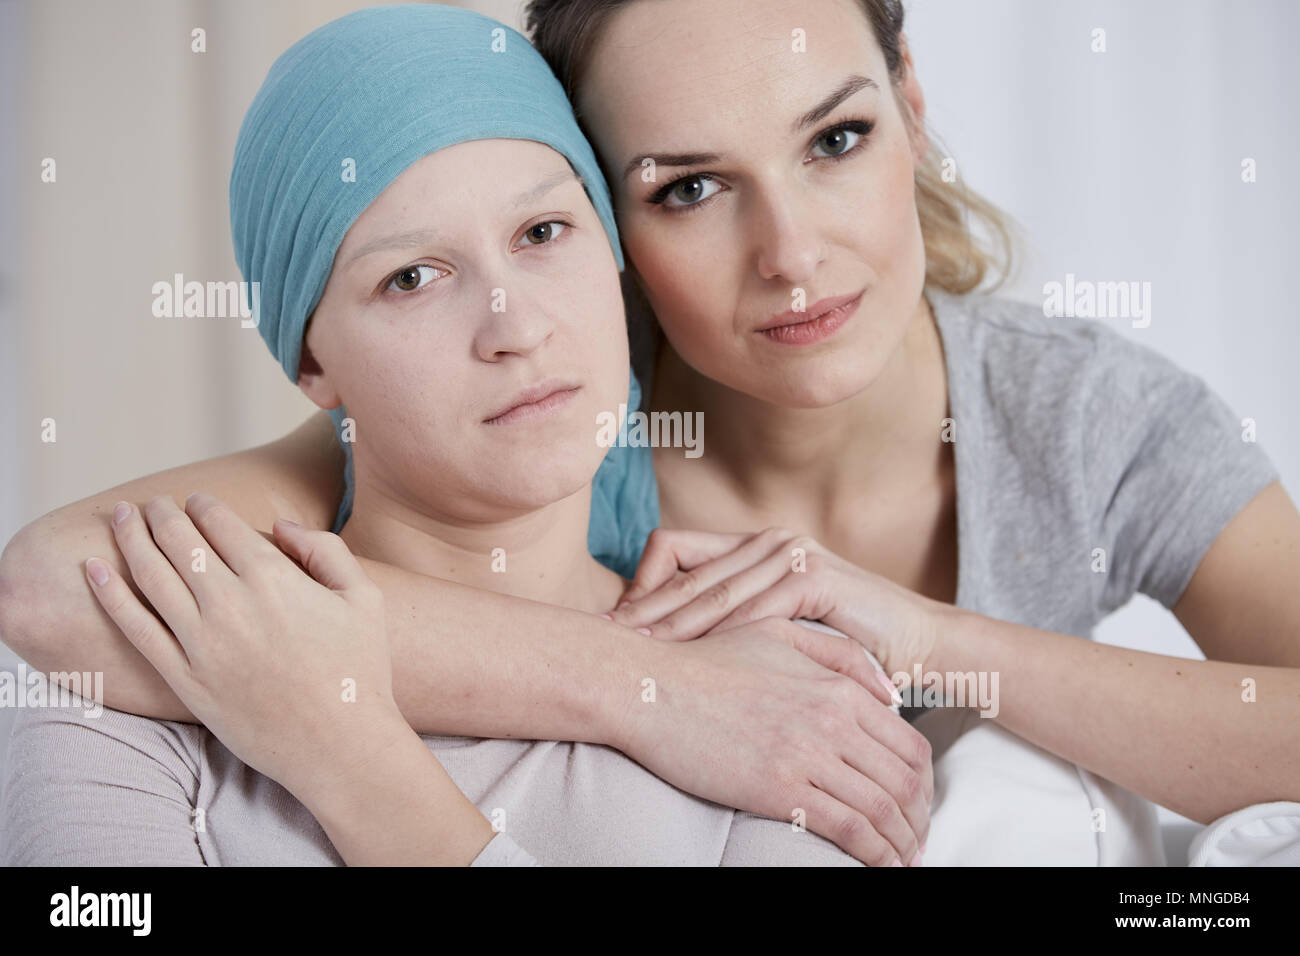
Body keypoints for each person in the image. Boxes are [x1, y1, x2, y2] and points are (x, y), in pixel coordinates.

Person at [5, 0, 1298, 851]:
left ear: (910, 96)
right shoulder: (545, 409)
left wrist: (936, 641)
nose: (792, 255)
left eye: (837, 138)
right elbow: (62, 592)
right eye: (688, 188)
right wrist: (666, 690)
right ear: (611, 228)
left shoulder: (1089, 418)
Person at [0, 3, 912, 868]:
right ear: (310, 365)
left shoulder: (785, 702)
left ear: (615, 259)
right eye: (412, 278)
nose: (513, 326)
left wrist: (354, 762)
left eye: (544, 230)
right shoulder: (121, 683)